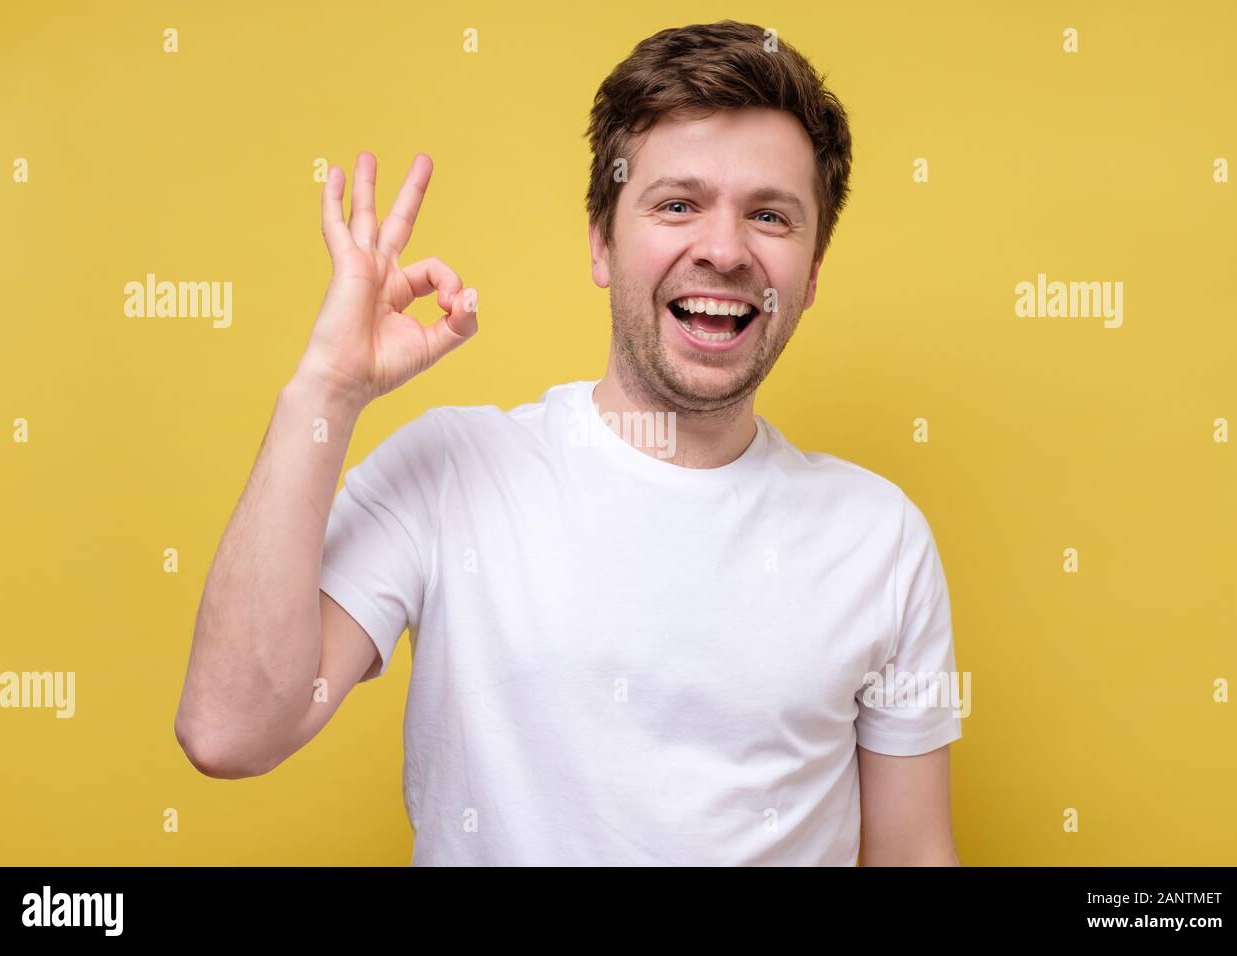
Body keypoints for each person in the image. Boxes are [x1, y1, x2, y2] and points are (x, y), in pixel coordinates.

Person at [175, 19, 964, 866]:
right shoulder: (452, 471)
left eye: (770, 216)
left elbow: (914, 855)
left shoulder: (882, 538)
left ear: (809, 277)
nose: (725, 249)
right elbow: (229, 732)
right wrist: (326, 388)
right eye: (677, 204)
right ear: (601, 241)